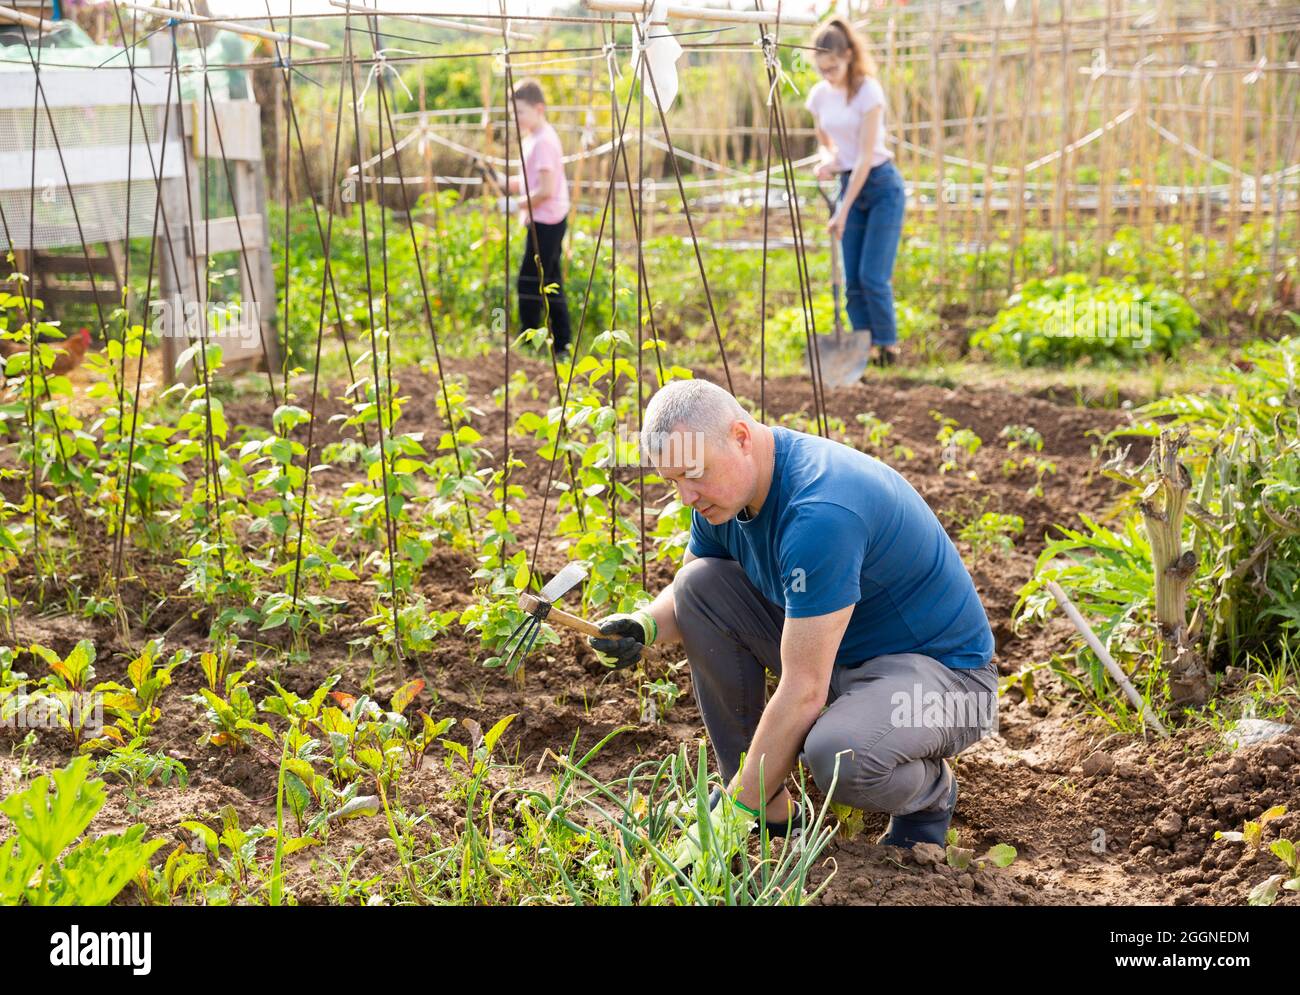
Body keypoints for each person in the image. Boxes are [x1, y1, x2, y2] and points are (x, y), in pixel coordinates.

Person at [588, 379, 998, 850]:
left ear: (740, 436)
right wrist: (641, 625)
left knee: (839, 755)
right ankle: (769, 808)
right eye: (672, 481)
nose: (686, 497)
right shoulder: (727, 494)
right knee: (698, 584)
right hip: (840, 658)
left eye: (694, 474)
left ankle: (929, 798)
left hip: (950, 683)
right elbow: (695, 598)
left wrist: (724, 824)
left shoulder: (819, 511)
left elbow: (805, 690)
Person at [805, 18, 906, 368]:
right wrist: (827, 161)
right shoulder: (819, 95)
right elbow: (826, 143)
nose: (827, 74)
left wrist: (842, 210)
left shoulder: (868, 92)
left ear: (848, 55)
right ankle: (864, 349)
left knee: (872, 276)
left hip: (879, 186)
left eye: (833, 67)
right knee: (851, 281)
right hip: (847, 181)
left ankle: (888, 347)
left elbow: (864, 158)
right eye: (821, 69)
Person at [499, 78, 572, 362]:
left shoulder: (543, 142)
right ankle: (561, 343)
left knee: (529, 282)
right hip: (543, 219)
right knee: (550, 281)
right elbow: (532, 181)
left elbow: (545, 190)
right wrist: (508, 184)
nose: (516, 118)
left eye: (520, 112)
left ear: (539, 108)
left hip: (547, 221)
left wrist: (514, 203)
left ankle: (531, 341)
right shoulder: (534, 138)